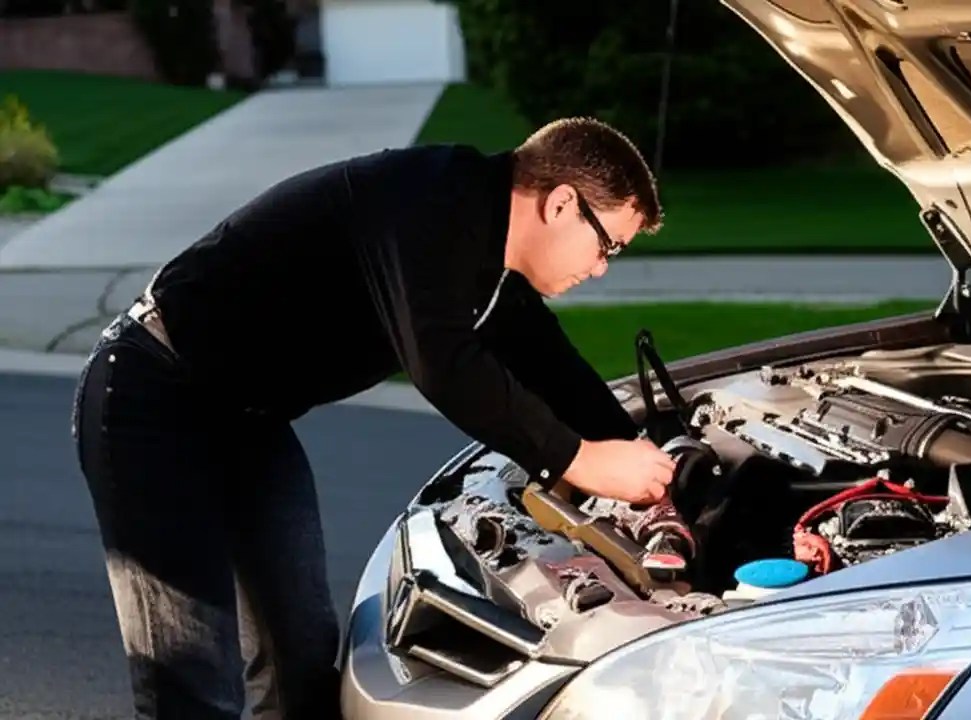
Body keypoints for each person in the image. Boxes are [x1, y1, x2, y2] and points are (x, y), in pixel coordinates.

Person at [69, 117, 678, 720]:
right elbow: (444, 365)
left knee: (301, 662)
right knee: (193, 682)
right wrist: (577, 459)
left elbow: (551, 365)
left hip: (248, 424)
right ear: (562, 203)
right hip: (153, 396)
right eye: (607, 245)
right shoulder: (434, 201)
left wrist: (658, 457)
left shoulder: (490, 261)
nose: (601, 267)